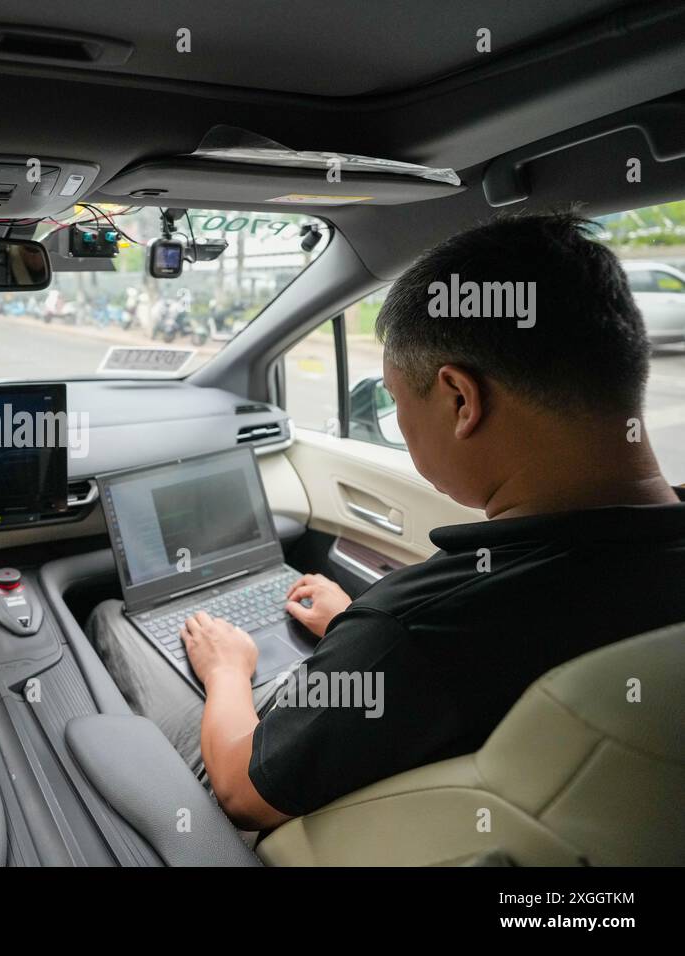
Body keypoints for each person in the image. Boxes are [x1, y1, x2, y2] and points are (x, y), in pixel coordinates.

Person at [88, 211, 685, 831]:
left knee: (109, 618)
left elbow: (241, 791)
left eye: (396, 400)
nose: (396, 418)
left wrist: (228, 672)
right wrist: (353, 628)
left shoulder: (418, 630)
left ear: (461, 400)